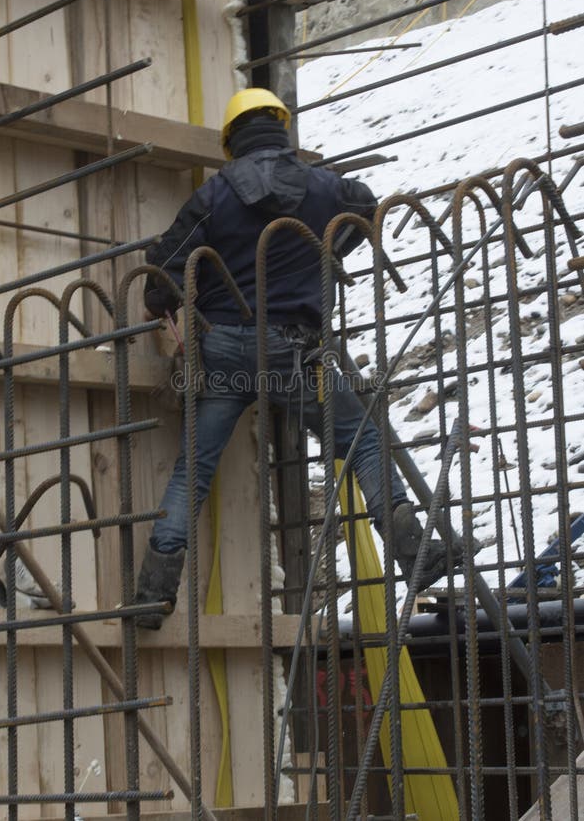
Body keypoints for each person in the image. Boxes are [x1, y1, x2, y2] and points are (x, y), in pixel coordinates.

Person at [134, 87, 459, 629]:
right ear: (282, 130)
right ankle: (410, 546)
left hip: (227, 352)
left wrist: (170, 300)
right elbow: (365, 210)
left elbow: (164, 271)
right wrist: (321, 253)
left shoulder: (213, 198)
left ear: (231, 140)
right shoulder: (324, 187)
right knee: (363, 441)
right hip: (296, 352)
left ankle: (153, 591)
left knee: (193, 471)